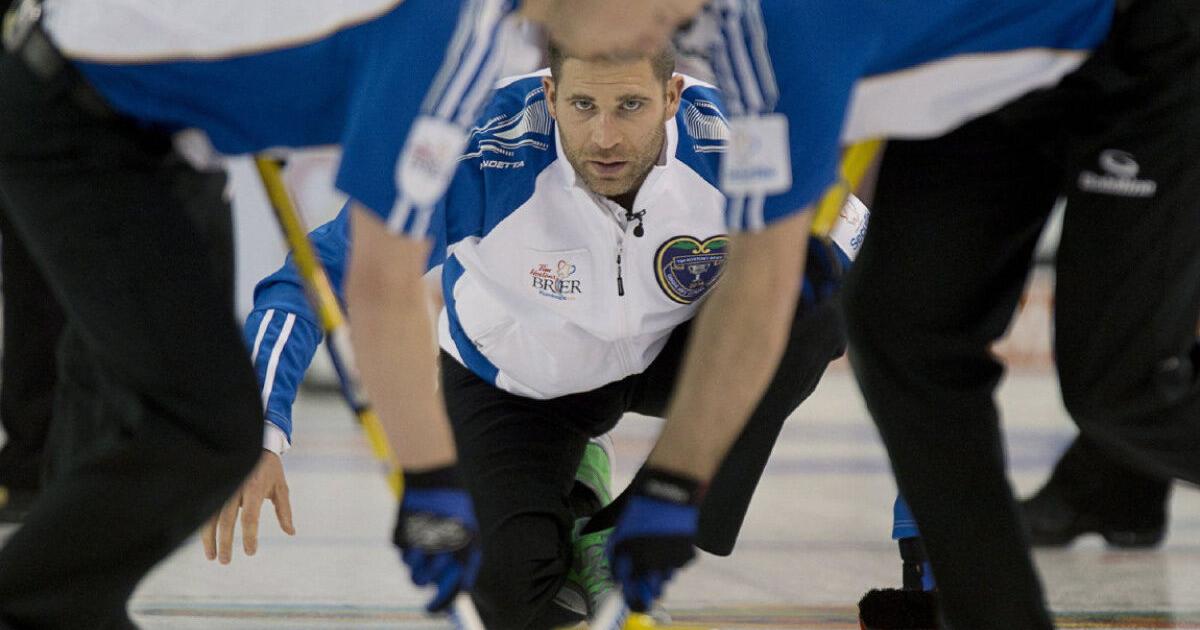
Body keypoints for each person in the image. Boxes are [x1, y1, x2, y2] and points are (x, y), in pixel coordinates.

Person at [539, 1, 1200, 627]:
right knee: (900, 331)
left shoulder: (772, 26)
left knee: (1123, 390)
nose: (551, 32)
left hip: (1134, 42)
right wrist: (674, 484)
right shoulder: (726, 34)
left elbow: (761, 276)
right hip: (983, 75)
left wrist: (676, 483)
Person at [0, 0, 647, 625]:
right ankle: (30, 606)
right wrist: (429, 486)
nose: (672, 20)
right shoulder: (462, 31)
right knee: (204, 425)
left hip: (160, 130)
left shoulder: (486, 32)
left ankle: (69, 610)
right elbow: (378, 283)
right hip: (79, 112)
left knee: (128, 403)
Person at [223, 44, 866, 627]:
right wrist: (261, 426)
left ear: (672, 96)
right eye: (583, 106)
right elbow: (313, 275)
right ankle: (577, 482)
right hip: (517, 384)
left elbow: (862, 236)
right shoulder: (475, 152)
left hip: (674, 355)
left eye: (631, 105)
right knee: (512, 599)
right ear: (551, 94)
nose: (604, 137)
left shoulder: (733, 141)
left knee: (817, 308)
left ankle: (624, 527)